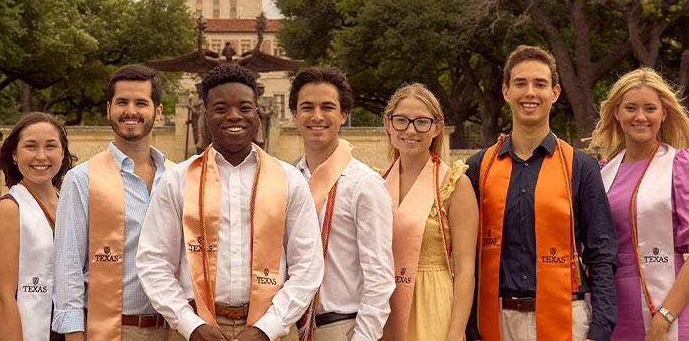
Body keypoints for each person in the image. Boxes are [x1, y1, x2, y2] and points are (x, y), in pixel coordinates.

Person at [137, 63, 325, 341]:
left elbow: (307, 265)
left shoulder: (289, 180)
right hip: (196, 328)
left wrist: (268, 327)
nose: (234, 116)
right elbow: (153, 261)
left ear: (257, 113)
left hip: (273, 329)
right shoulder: (177, 180)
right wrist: (190, 325)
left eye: (245, 107)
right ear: (206, 115)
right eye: (221, 108)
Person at [464, 45, 615, 341]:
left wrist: (600, 330)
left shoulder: (581, 167)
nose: (530, 92)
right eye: (520, 83)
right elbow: (466, 258)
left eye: (540, 84)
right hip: (495, 319)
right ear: (506, 91)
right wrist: (470, 329)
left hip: (566, 318)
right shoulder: (478, 168)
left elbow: (602, 253)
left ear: (555, 92)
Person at [588, 69, 689, 341]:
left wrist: (663, 319)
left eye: (650, 108)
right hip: (614, 315)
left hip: (671, 316)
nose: (640, 117)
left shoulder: (683, 165)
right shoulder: (602, 174)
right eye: (631, 108)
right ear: (616, 113)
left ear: (664, 114)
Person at [51, 64, 178, 341]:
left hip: (174, 330)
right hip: (109, 330)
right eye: (122, 102)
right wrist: (74, 335)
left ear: (158, 111)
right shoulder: (82, 179)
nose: (130, 111)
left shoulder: (177, 177)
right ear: (109, 108)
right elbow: (68, 268)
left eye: (141, 103)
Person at [289, 67, 395, 341]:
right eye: (307, 107)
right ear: (294, 115)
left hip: (338, 328)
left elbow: (379, 276)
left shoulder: (365, 184)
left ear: (344, 115)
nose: (317, 116)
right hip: (287, 329)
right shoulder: (288, 181)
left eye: (327, 107)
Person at [381, 83, 475, 341]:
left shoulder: (454, 184)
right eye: (401, 120)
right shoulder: (376, 184)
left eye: (422, 122)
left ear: (437, 127)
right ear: (388, 124)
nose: (410, 130)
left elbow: (466, 270)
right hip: (384, 308)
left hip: (432, 307)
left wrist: (455, 332)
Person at [0, 111, 75, 340]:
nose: (41, 156)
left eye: (50, 146)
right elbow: (2, 298)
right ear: (14, 154)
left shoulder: (71, 204)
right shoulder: (8, 210)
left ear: (62, 153)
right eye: (31, 146)